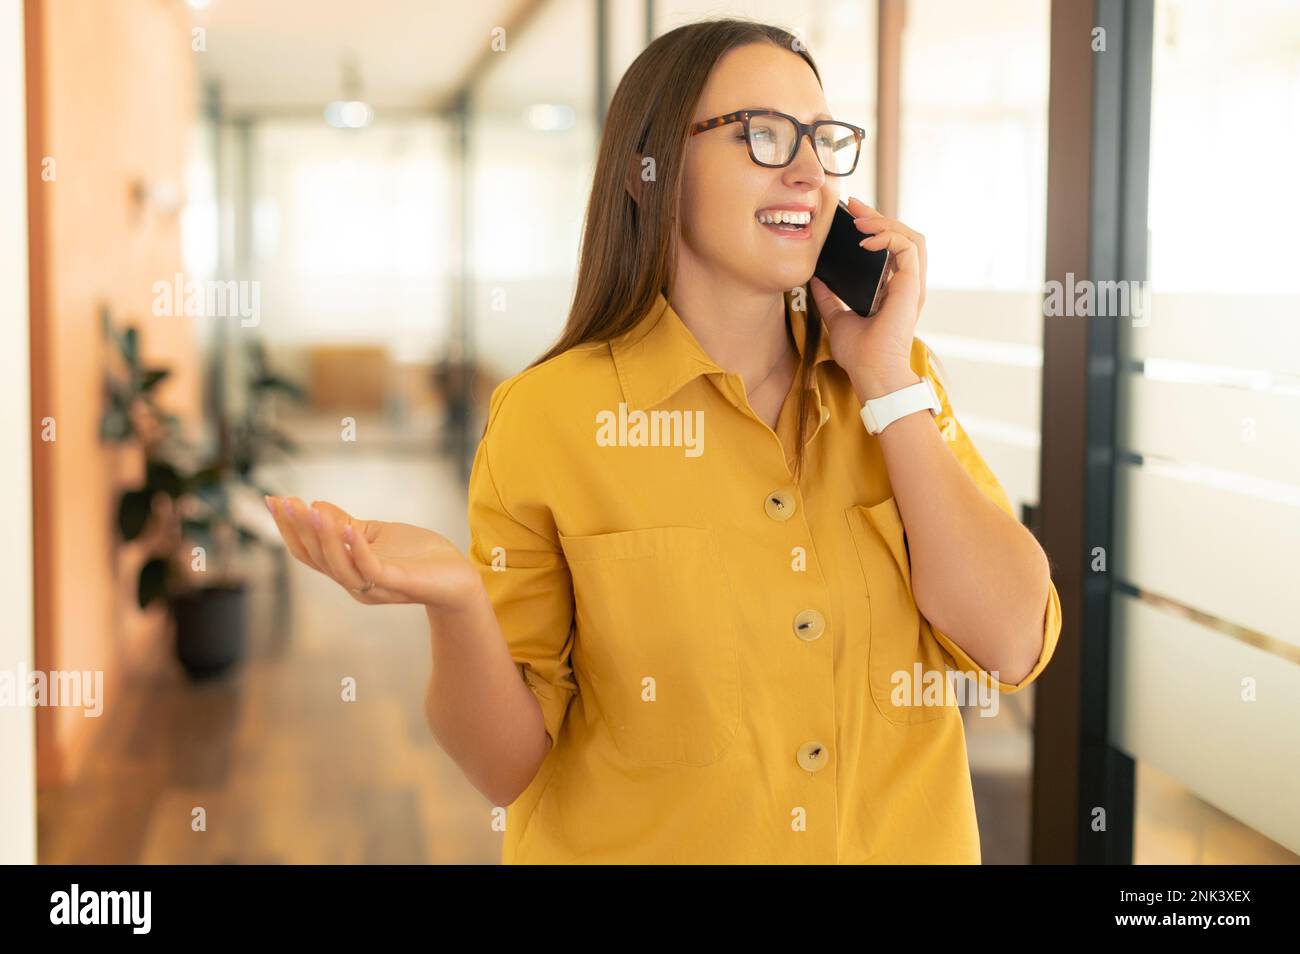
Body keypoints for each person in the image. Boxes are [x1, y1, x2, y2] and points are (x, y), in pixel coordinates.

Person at [266, 18, 1061, 864]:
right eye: (762, 135)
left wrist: (888, 383)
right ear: (650, 173)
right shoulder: (549, 418)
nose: (806, 172)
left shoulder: (896, 384)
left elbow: (1013, 642)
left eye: (823, 142)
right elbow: (504, 766)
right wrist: (458, 601)